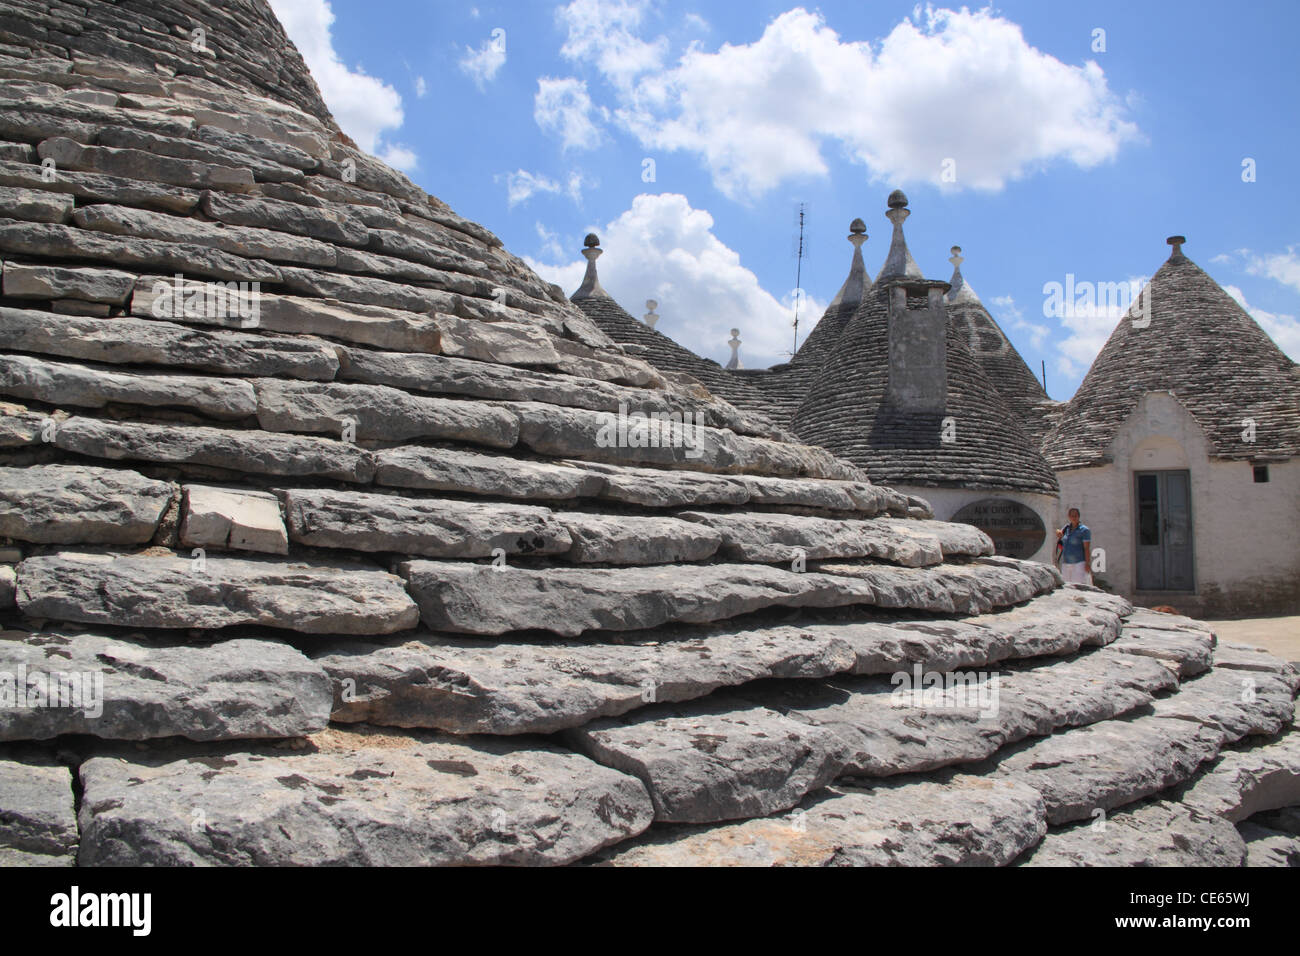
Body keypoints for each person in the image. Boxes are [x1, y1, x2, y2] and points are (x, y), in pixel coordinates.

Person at [1055, 508, 1092, 585]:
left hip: (1079, 563)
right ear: (1069, 516)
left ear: (1079, 516)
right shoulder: (1066, 528)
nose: (1074, 517)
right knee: (1066, 587)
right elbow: (1061, 544)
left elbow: (1086, 548)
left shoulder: (1084, 530)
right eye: (1072, 516)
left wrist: (1087, 564)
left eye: (1075, 516)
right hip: (1066, 563)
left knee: (1078, 586)